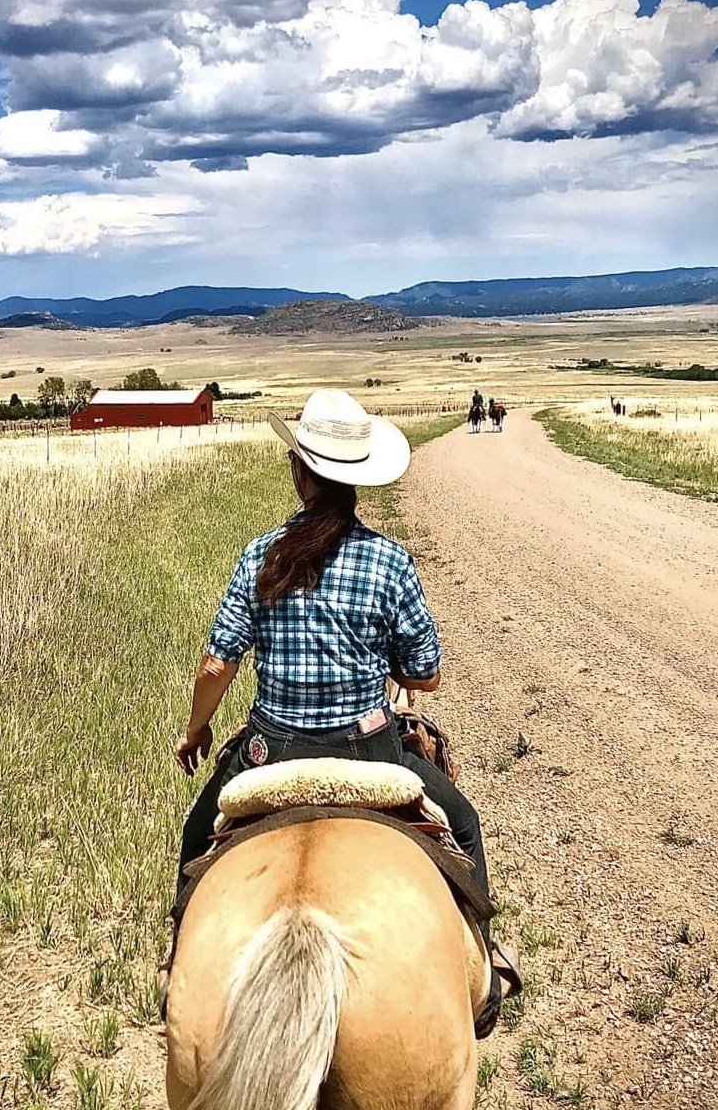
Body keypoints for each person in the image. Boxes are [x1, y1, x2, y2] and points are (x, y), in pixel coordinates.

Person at [171, 388, 518, 1037]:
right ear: (355, 479)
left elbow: (217, 665)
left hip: (266, 751)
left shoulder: (260, 555)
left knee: (196, 838)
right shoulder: (388, 561)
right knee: (463, 824)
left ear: (299, 471)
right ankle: (486, 974)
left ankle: (175, 970)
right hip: (370, 750)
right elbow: (427, 673)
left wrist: (196, 729)